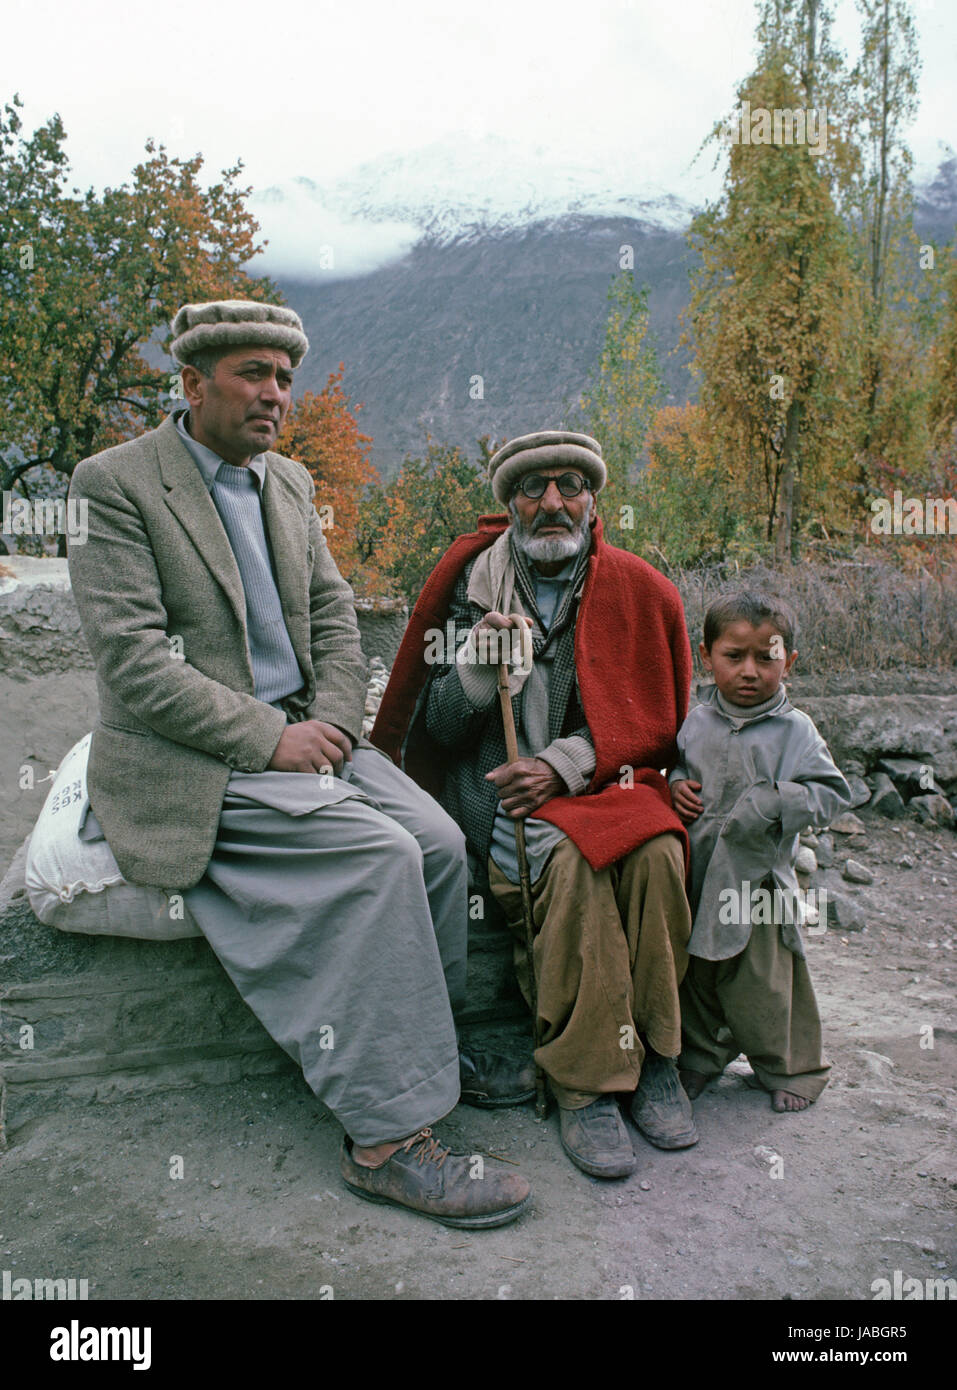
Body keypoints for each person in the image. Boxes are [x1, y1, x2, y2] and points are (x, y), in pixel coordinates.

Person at [66, 298, 531, 1229]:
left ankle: (422, 1055)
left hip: (301, 734)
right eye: (252, 375)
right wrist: (269, 741)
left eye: (284, 378)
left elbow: (333, 618)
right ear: (193, 384)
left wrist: (324, 722)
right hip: (193, 757)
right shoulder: (110, 484)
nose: (275, 395)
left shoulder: (285, 483)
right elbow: (134, 660)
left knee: (438, 840)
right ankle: (388, 1140)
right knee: (380, 859)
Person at [372, 431, 697, 1179]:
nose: (552, 502)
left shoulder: (638, 590)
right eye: (534, 488)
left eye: (570, 485)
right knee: (571, 863)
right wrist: (476, 670)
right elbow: (437, 730)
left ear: (592, 500)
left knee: (655, 853)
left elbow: (655, 721)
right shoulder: (469, 586)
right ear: (510, 504)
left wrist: (565, 763)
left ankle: (655, 1059)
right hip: (504, 804)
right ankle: (585, 1085)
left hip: (606, 789)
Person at [669, 591, 852, 1113]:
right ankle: (700, 1059)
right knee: (698, 975)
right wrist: (676, 783)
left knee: (765, 982)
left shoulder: (796, 731)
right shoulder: (696, 719)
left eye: (766, 657)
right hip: (700, 875)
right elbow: (676, 765)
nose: (750, 671)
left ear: (788, 661)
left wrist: (777, 799)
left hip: (758, 885)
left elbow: (832, 794)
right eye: (734, 657)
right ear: (706, 656)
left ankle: (792, 1067)